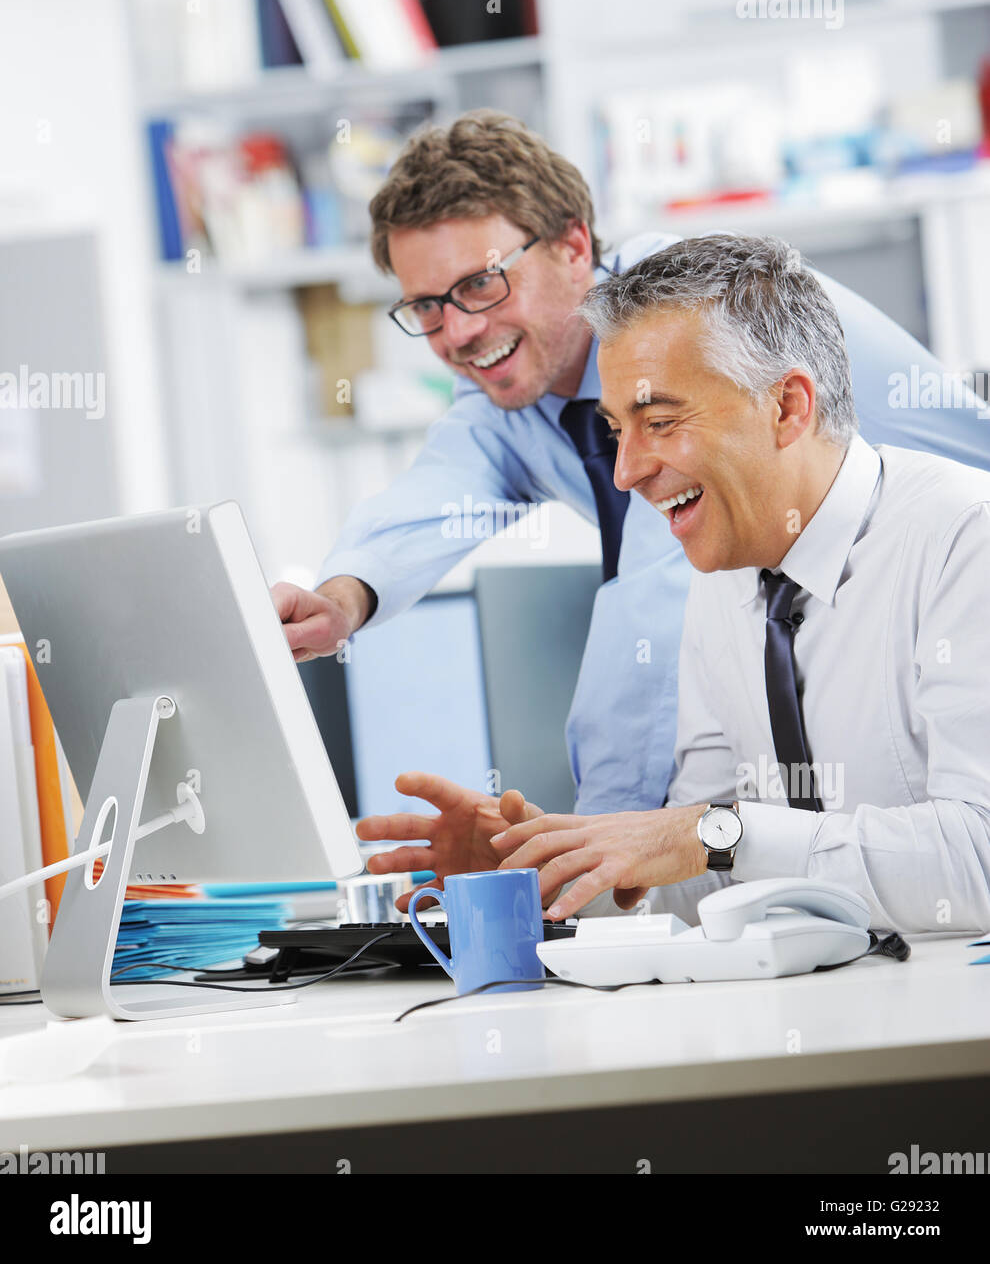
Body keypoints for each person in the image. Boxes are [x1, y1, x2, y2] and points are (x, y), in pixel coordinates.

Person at [270, 112, 989, 908]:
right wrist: (340, 602)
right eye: (428, 308)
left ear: (575, 248)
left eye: (478, 284)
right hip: (827, 665)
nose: (460, 331)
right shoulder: (531, 386)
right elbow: (444, 484)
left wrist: (591, 847)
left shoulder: (679, 325)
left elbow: (647, 621)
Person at [491, 234, 990, 934]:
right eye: (617, 432)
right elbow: (706, 875)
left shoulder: (968, 537)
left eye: (659, 423)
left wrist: (711, 832)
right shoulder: (725, 574)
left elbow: (980, 862)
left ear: (788, 407)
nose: (626, 473)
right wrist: (544, 872)